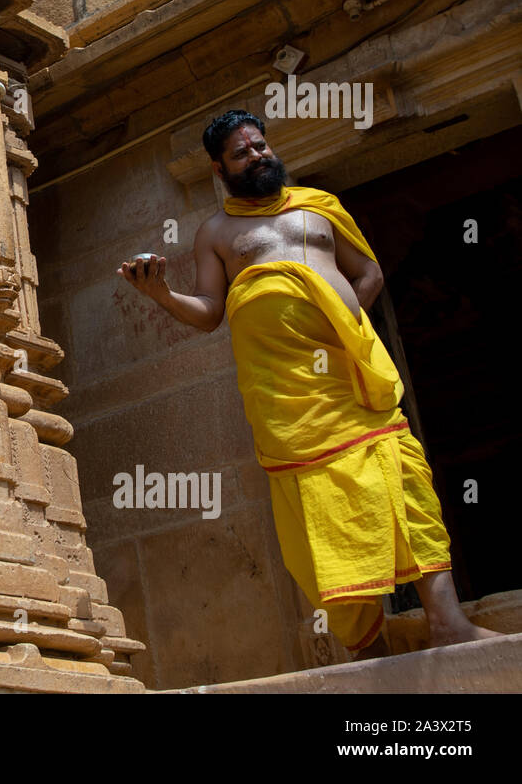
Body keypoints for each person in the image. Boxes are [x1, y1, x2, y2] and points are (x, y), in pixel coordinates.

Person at [116, 109, 497, 658]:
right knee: (318, 512)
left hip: (347, 376)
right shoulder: (217, 234)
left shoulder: (320, 206)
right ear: (220, 171)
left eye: (260, 145)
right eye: (242, 153)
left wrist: (342, 328)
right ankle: (368, 649)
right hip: (285, 396)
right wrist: (161, 295)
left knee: (401, 481)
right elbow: (208, 311)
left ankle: (447, 622)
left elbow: (368, 274)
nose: (258, 155)